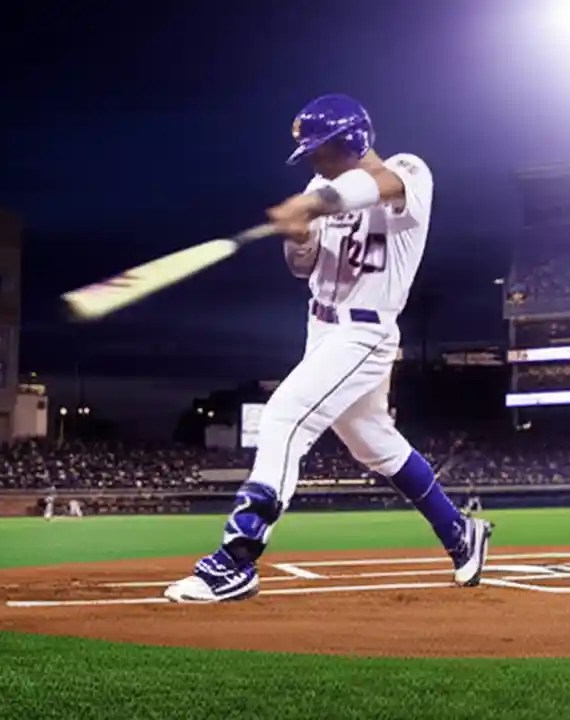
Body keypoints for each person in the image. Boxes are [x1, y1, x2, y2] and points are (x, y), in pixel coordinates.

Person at [165, 95, 492, 603]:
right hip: (320, 330)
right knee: (373, 444)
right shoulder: (318, 187)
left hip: (365, 333)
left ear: (352, 142)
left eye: (321, 150)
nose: (314, 162)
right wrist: (297, 235)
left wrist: (313, 205)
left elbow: (376, 188)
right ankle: (460, 533)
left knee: (284, 418)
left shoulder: (408, 172)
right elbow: (304, 266)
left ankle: (237, 559)